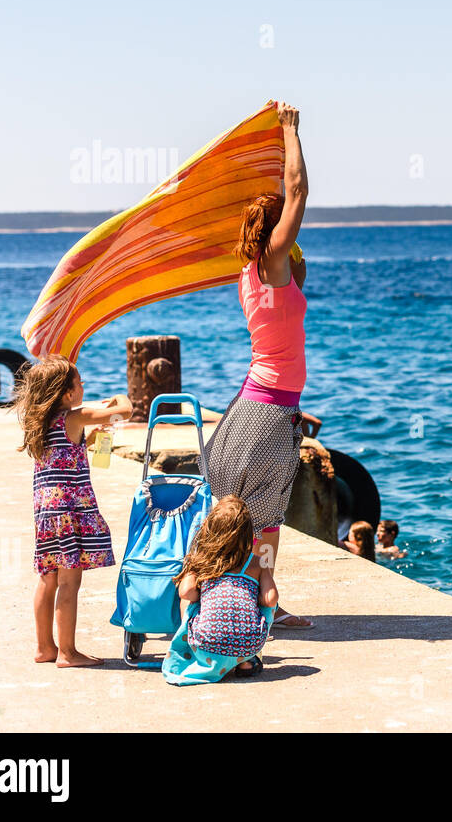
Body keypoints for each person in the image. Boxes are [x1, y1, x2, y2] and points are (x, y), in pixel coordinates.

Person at [204, 101, 315, 629]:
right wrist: (290, 132)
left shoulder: (256, 273)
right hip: (268, 406)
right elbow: (297, 190)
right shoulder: (270, 261)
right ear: (275, 232)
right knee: (263, 511)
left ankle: (256, 595)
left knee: (262, 510)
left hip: (264, 401)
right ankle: (254, 597)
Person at [11, 355, 131, 667]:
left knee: (48, 578)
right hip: (70, 509)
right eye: (79, 384)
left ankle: (45, 648)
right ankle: (68, 652)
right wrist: (116, 398)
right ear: (67, 393)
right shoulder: (73, 416)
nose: (84, 387)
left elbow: (74, 448)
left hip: (45, 512)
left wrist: (98, 435)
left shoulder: (41, 422)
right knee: (69, 582)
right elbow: (126, 409)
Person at [162, 495, 277, 684]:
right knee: (268, 599)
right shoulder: (256, 563)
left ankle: (193, 651)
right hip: (248, 644)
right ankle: (246, 661)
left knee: (190, 600)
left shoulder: (202, 560)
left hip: (207, 645)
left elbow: (186, 592)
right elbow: (270, 600)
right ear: (247, 532)